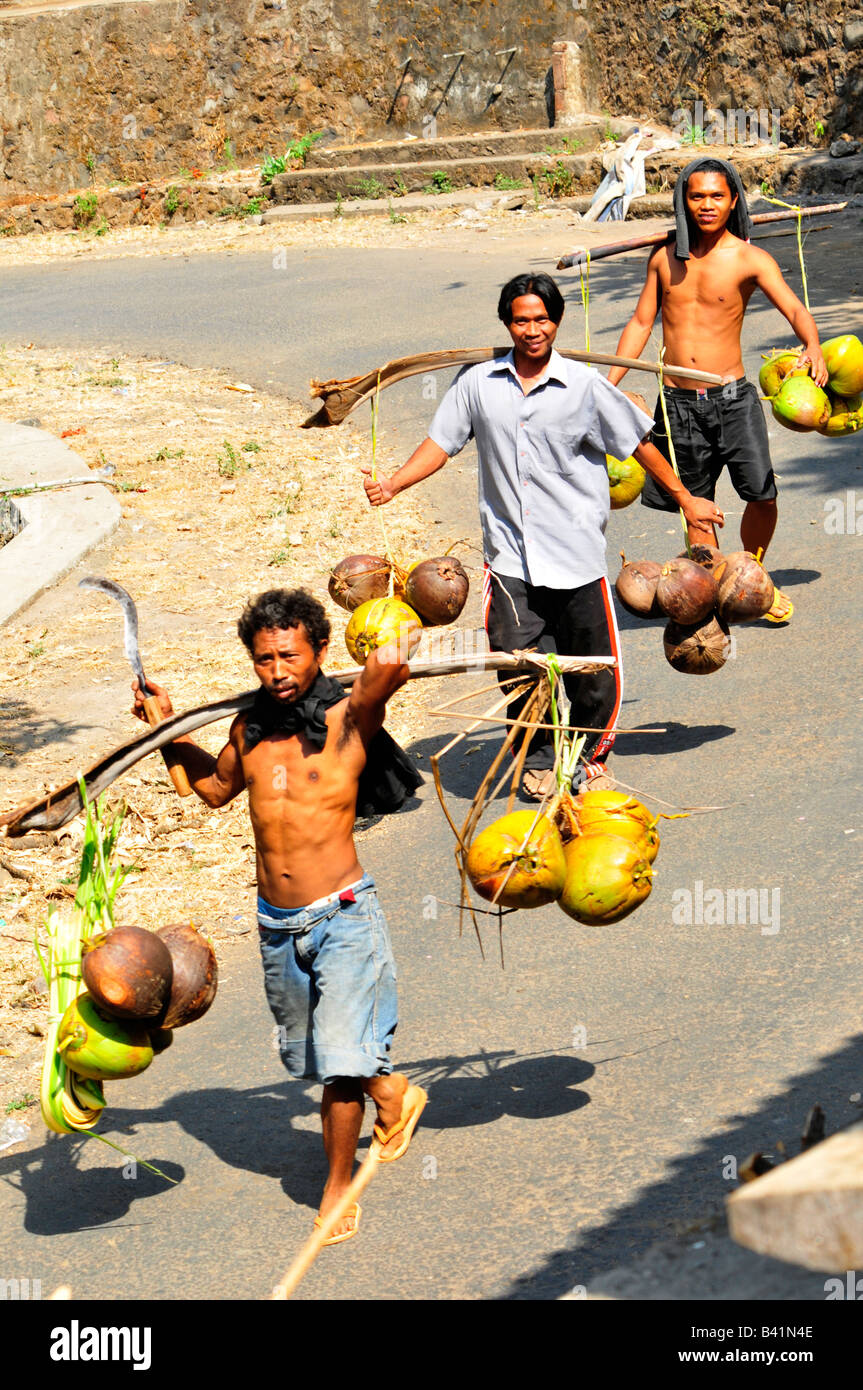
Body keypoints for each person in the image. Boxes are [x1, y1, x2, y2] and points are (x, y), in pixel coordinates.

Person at [131, 588, 426, 1246]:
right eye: (263, 660)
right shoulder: (250, 730)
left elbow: (392, 666)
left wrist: (395, 627)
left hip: (344, 916)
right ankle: (393, 1093)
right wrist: (169, 731)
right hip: (276, 926)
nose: (277, 671)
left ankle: (335, 1186)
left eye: (290, 655)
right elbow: (209, 790)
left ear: (320, 651)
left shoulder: (349, 720)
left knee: (337, 1067)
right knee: (318, 1051)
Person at [363, 271, 723, 799]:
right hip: (509, 557)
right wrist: (393, 483)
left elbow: (637, 443)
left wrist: (686, 497)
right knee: (520, 662)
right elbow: (440, 443)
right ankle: (536, 758)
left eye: (542, 319)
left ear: (556, 322)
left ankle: (591, 752)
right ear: (508, 323)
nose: (532, 329)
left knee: (592, 663)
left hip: (575, 552)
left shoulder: (584, 386)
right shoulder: (478, 385)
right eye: (521, 319)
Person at [607, 156, 827, 623]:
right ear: (683, 201)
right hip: (678, 405)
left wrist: (814, 345)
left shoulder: (750, 259)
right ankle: (712, 588)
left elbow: (794, 307)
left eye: (717, 196)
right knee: (696, 506)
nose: (707, 204)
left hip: (733, 398)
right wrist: (610, 385)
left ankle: (751, 579)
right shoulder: (665, 258)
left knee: (762, 495)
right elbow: (642, 321)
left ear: (732, 202)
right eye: (697, 195)